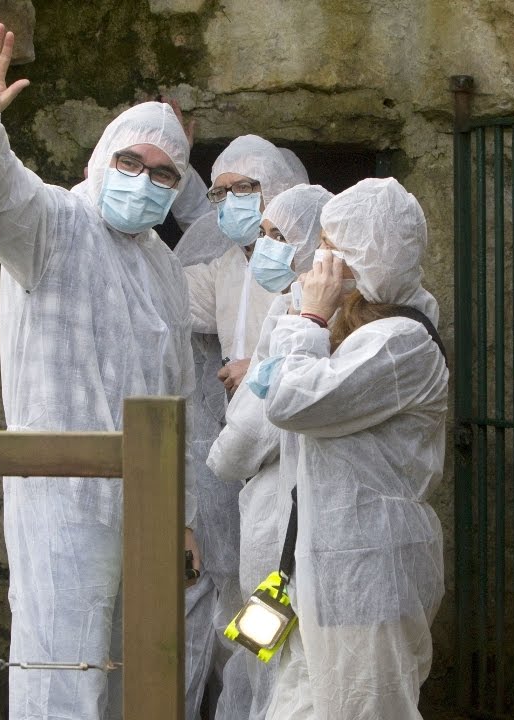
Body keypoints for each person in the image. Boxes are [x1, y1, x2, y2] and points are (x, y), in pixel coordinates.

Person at [0, 23, 201, 720]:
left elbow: (178, 397)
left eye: (164, 173)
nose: (145, 181)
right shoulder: (54, 224)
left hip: (146, 499)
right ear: (101, 157)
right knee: (62, 666)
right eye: (132, 162)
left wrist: (183, 516)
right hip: (62, 497)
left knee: (136, 664)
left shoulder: (163, 269)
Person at [260, 178, 448, 720]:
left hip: (367, 575)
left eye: (331, 245)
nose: (320, 260)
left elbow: (292, 402)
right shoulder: (366, 328)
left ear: (365, 256)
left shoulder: (400, 342)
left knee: (366, 711)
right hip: (320, 571)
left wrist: (311, 317)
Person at [178, 136, 306, 720]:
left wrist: (261, 370)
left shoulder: (311, 267)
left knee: (292, 604)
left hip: (294, 457)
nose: (229, 201)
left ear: (277, 193)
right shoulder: (225, 267)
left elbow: (328, 345)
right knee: (252, 603)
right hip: (251, 464)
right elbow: (164, 297)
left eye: (243, 189)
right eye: (219, 192)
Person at [206, 184, 333, 720]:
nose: (266, 248)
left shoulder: (308, 325)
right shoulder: (287, 310)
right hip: (275, 529)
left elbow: (251, 431)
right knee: (273, 675)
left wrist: (222, 454)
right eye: (263, 234)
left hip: (289, 527)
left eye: (281, 236)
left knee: (292, 684)